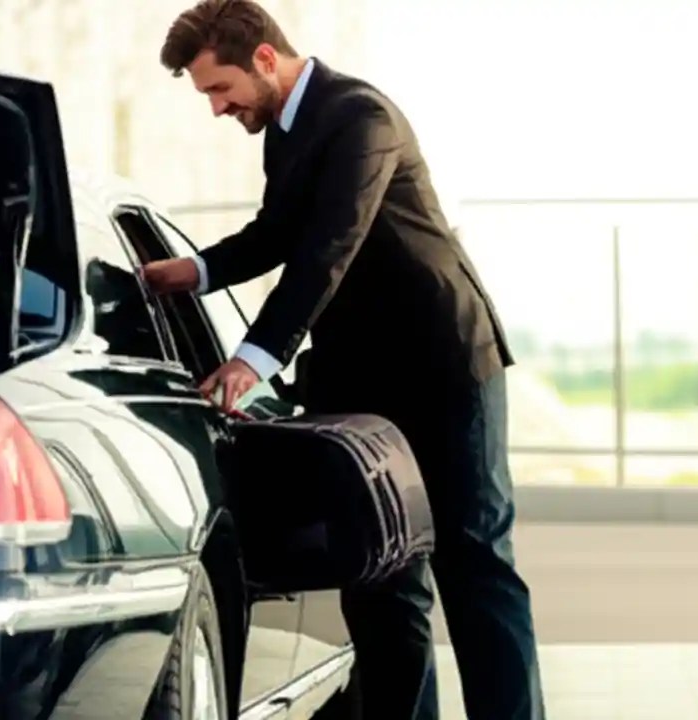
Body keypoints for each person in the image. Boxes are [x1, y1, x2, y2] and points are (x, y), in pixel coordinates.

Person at [142, 2, 546, 718]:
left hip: (446, 370)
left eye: (218, 88)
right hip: (362, 381)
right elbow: (276, 233)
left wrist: (251, 361)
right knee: (383, 574)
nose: (216, 109)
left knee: (474, 562)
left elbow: (328, 248)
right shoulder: (284, 129)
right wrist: (195, 271)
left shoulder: (362, 116)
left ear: (265, 59)